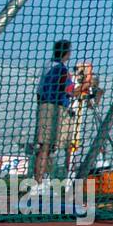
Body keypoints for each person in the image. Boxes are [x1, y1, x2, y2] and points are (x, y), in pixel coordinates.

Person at [34, 39, 76, 183]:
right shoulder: (61, 69)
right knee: (48, 146)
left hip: (44, 106)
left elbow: (39, 91)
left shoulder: (47, 66)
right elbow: (68, 90)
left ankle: (41, 179)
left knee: (47, 146)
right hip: (56, 108)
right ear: (66, 53)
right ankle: (40, 180)